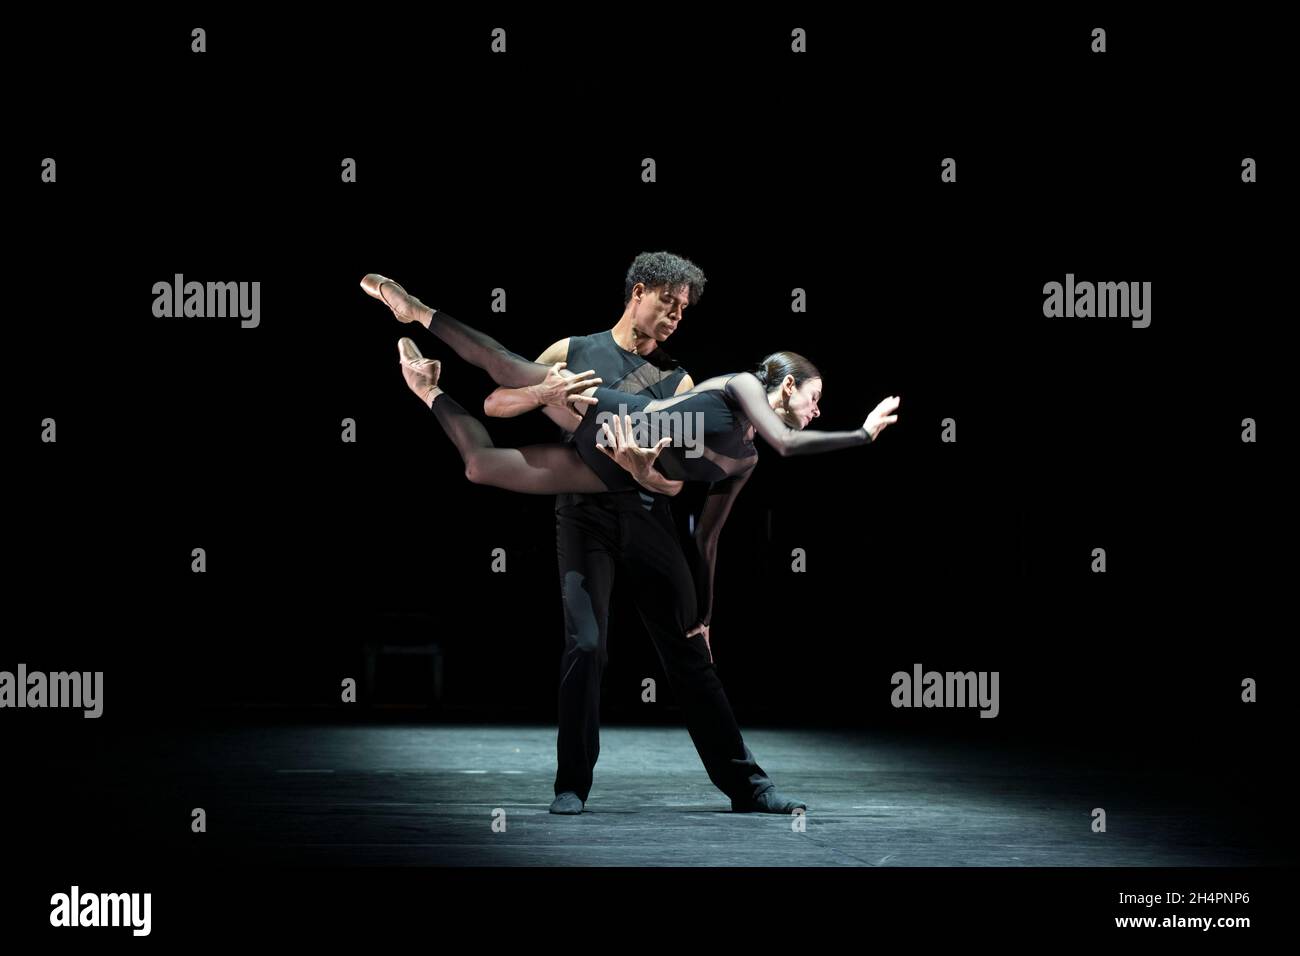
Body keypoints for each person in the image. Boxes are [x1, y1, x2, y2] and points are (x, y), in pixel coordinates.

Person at [362, 257, 897, 814]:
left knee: (691, 649)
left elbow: (695, 518)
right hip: (600, 470)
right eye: (671, 302)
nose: (678, 315)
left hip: (639, 501)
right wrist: (544, 396)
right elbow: (498, 399)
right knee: (584, 640)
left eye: (687, 309)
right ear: (638, 293)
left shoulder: (702, 404)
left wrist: (703, 608)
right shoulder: (599, 355)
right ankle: (417, 313)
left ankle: (748, 785)